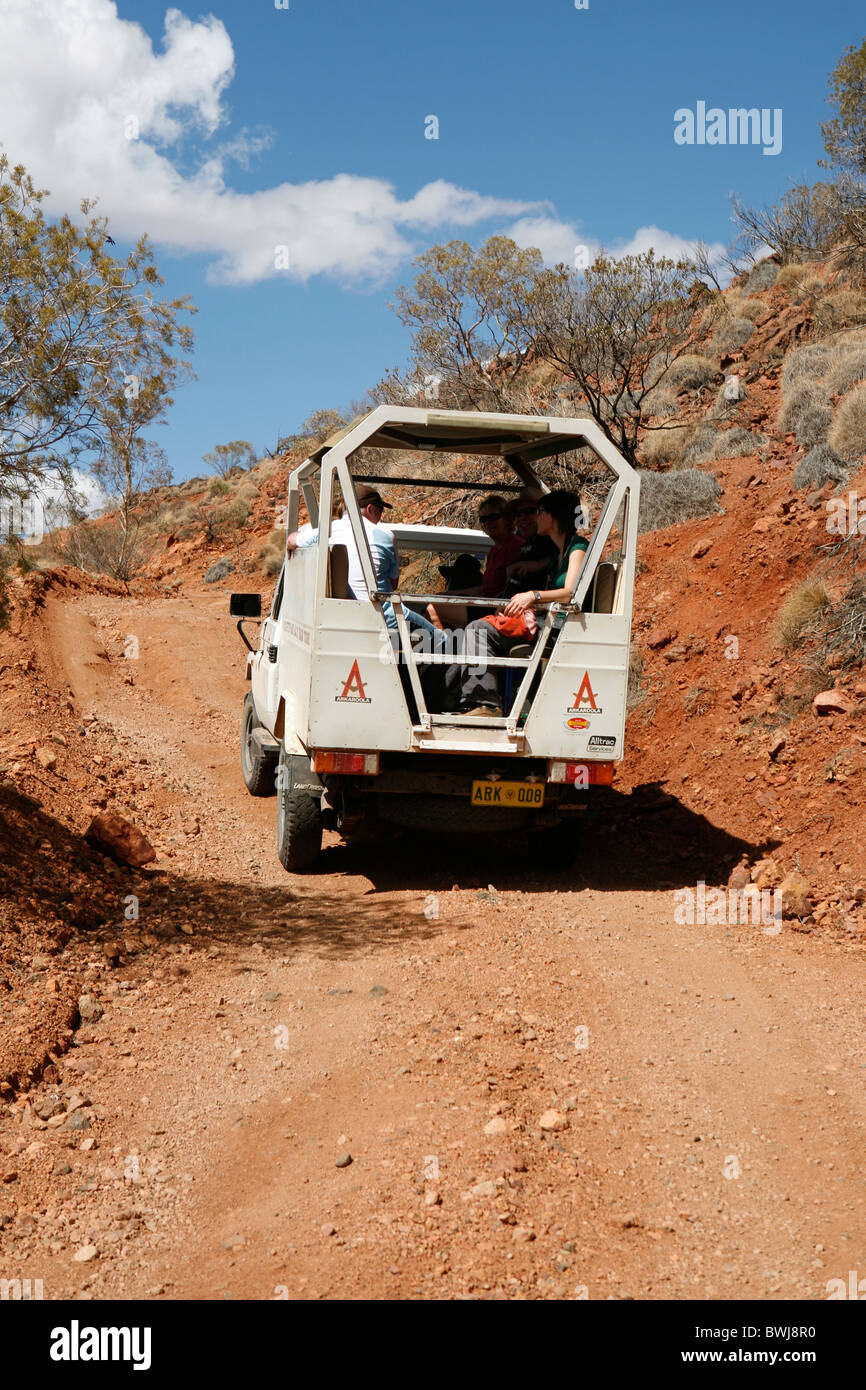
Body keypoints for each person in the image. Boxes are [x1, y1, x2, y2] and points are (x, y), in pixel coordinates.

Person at [449, 489, 588, 717]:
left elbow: (570, 591)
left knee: (478, 629)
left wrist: (533, 596)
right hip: (546, 620)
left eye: (539, 512)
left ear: (553, 516)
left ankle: (485, 704)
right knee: (476, 629)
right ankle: (467, 700)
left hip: (557, 626)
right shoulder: (557, 553)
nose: (535, 517)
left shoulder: (577, 547)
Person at [287, 486, 443, 646]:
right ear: (370, 509)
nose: (381, 516)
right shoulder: (385, 536)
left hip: (341, 615)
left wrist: (290, 545)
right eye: (381, 510)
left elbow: (292, 540)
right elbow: (394, 584)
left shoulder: (326, 531)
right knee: (443, 641)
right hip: (382, 616)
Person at [503, 490, 557, 598]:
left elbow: (563, 558)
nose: (522, 517)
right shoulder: (526, 543)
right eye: (517, 514)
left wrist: (538, 564)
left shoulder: (550, 540)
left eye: (528, 511)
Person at [477, 496, 523, 599]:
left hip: (500, 607)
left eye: (493, 517)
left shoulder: (515, 546)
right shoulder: (493, 551)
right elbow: (485, 590)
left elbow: (510, 590)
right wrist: (451, 594)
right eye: (483, 519)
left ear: (507, 519)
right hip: (487, 604)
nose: (487, 522)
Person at [426, 552, 484, 632]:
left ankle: (442, 642)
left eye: (450, 580)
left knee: (432, 609)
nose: (447, 584)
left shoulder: (472, 605)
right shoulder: (474, 600)